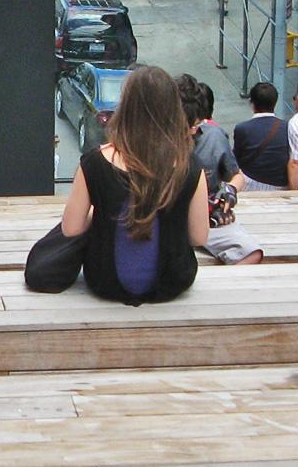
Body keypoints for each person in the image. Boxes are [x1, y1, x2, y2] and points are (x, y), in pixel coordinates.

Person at [28, 66, 209, 304]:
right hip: (171, 282)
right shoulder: (190, 165)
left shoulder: (94, 163)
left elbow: (71, 229)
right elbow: (199, 237)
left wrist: (102, 211)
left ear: (126, 106)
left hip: (106, 281)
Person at [177, 75, 262, 265]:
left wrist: (230, 190)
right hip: (169, 223)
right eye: (186, 125)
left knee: (251, 253)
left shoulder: (214, 137)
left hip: (212, 220)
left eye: (196, 124)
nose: (192, 131)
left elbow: (237, 176)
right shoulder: (156, 142)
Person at [232, 81, 290, 191]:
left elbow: (236, 160)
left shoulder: (242, 128)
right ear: (275, 102)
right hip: (280, 185)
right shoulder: (287, 127)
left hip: (250, 184)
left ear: (252, 103)